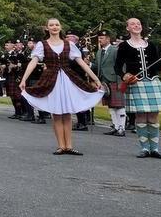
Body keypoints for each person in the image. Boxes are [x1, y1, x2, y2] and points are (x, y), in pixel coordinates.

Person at [20, 19, 104, 155]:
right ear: (47, 28)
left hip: (68, 80)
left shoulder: (69, 44)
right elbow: (33, 62)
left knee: (67, 113)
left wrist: (95, 78)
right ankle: (61, 146)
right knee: (57, 113)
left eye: (57, 25)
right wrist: (24, 79)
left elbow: (81, 62)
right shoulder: (42, 44)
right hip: (51, 80)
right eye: (51, 25)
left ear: (60, 27)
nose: (54, 27)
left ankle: (69, 146)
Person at [114, 18, 161, 159]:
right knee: (141, 116)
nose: (136, 25)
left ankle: (154, 149)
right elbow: (117, 67)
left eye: (138, 23)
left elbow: (159, 66)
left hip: (153, 82)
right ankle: (145, 148)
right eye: (133, 24)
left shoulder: (151, 45)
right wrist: (124, 75)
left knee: (153, 116)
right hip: (136, 83)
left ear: (141, 27)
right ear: (127, 28)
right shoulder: (124, 46)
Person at [93, 30, 126, 137]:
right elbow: (97, 67)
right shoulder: (99, 52)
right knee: (111, 106)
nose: (99, 40)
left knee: (119, 105)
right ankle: (115, 127)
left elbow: (121, 66)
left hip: (115, 80)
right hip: (104, 81)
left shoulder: (115, 50)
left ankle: (121, 128)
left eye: (102, 38)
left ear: (108, 39)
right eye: (99, 38)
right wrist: (89, 64)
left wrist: (120, 81)